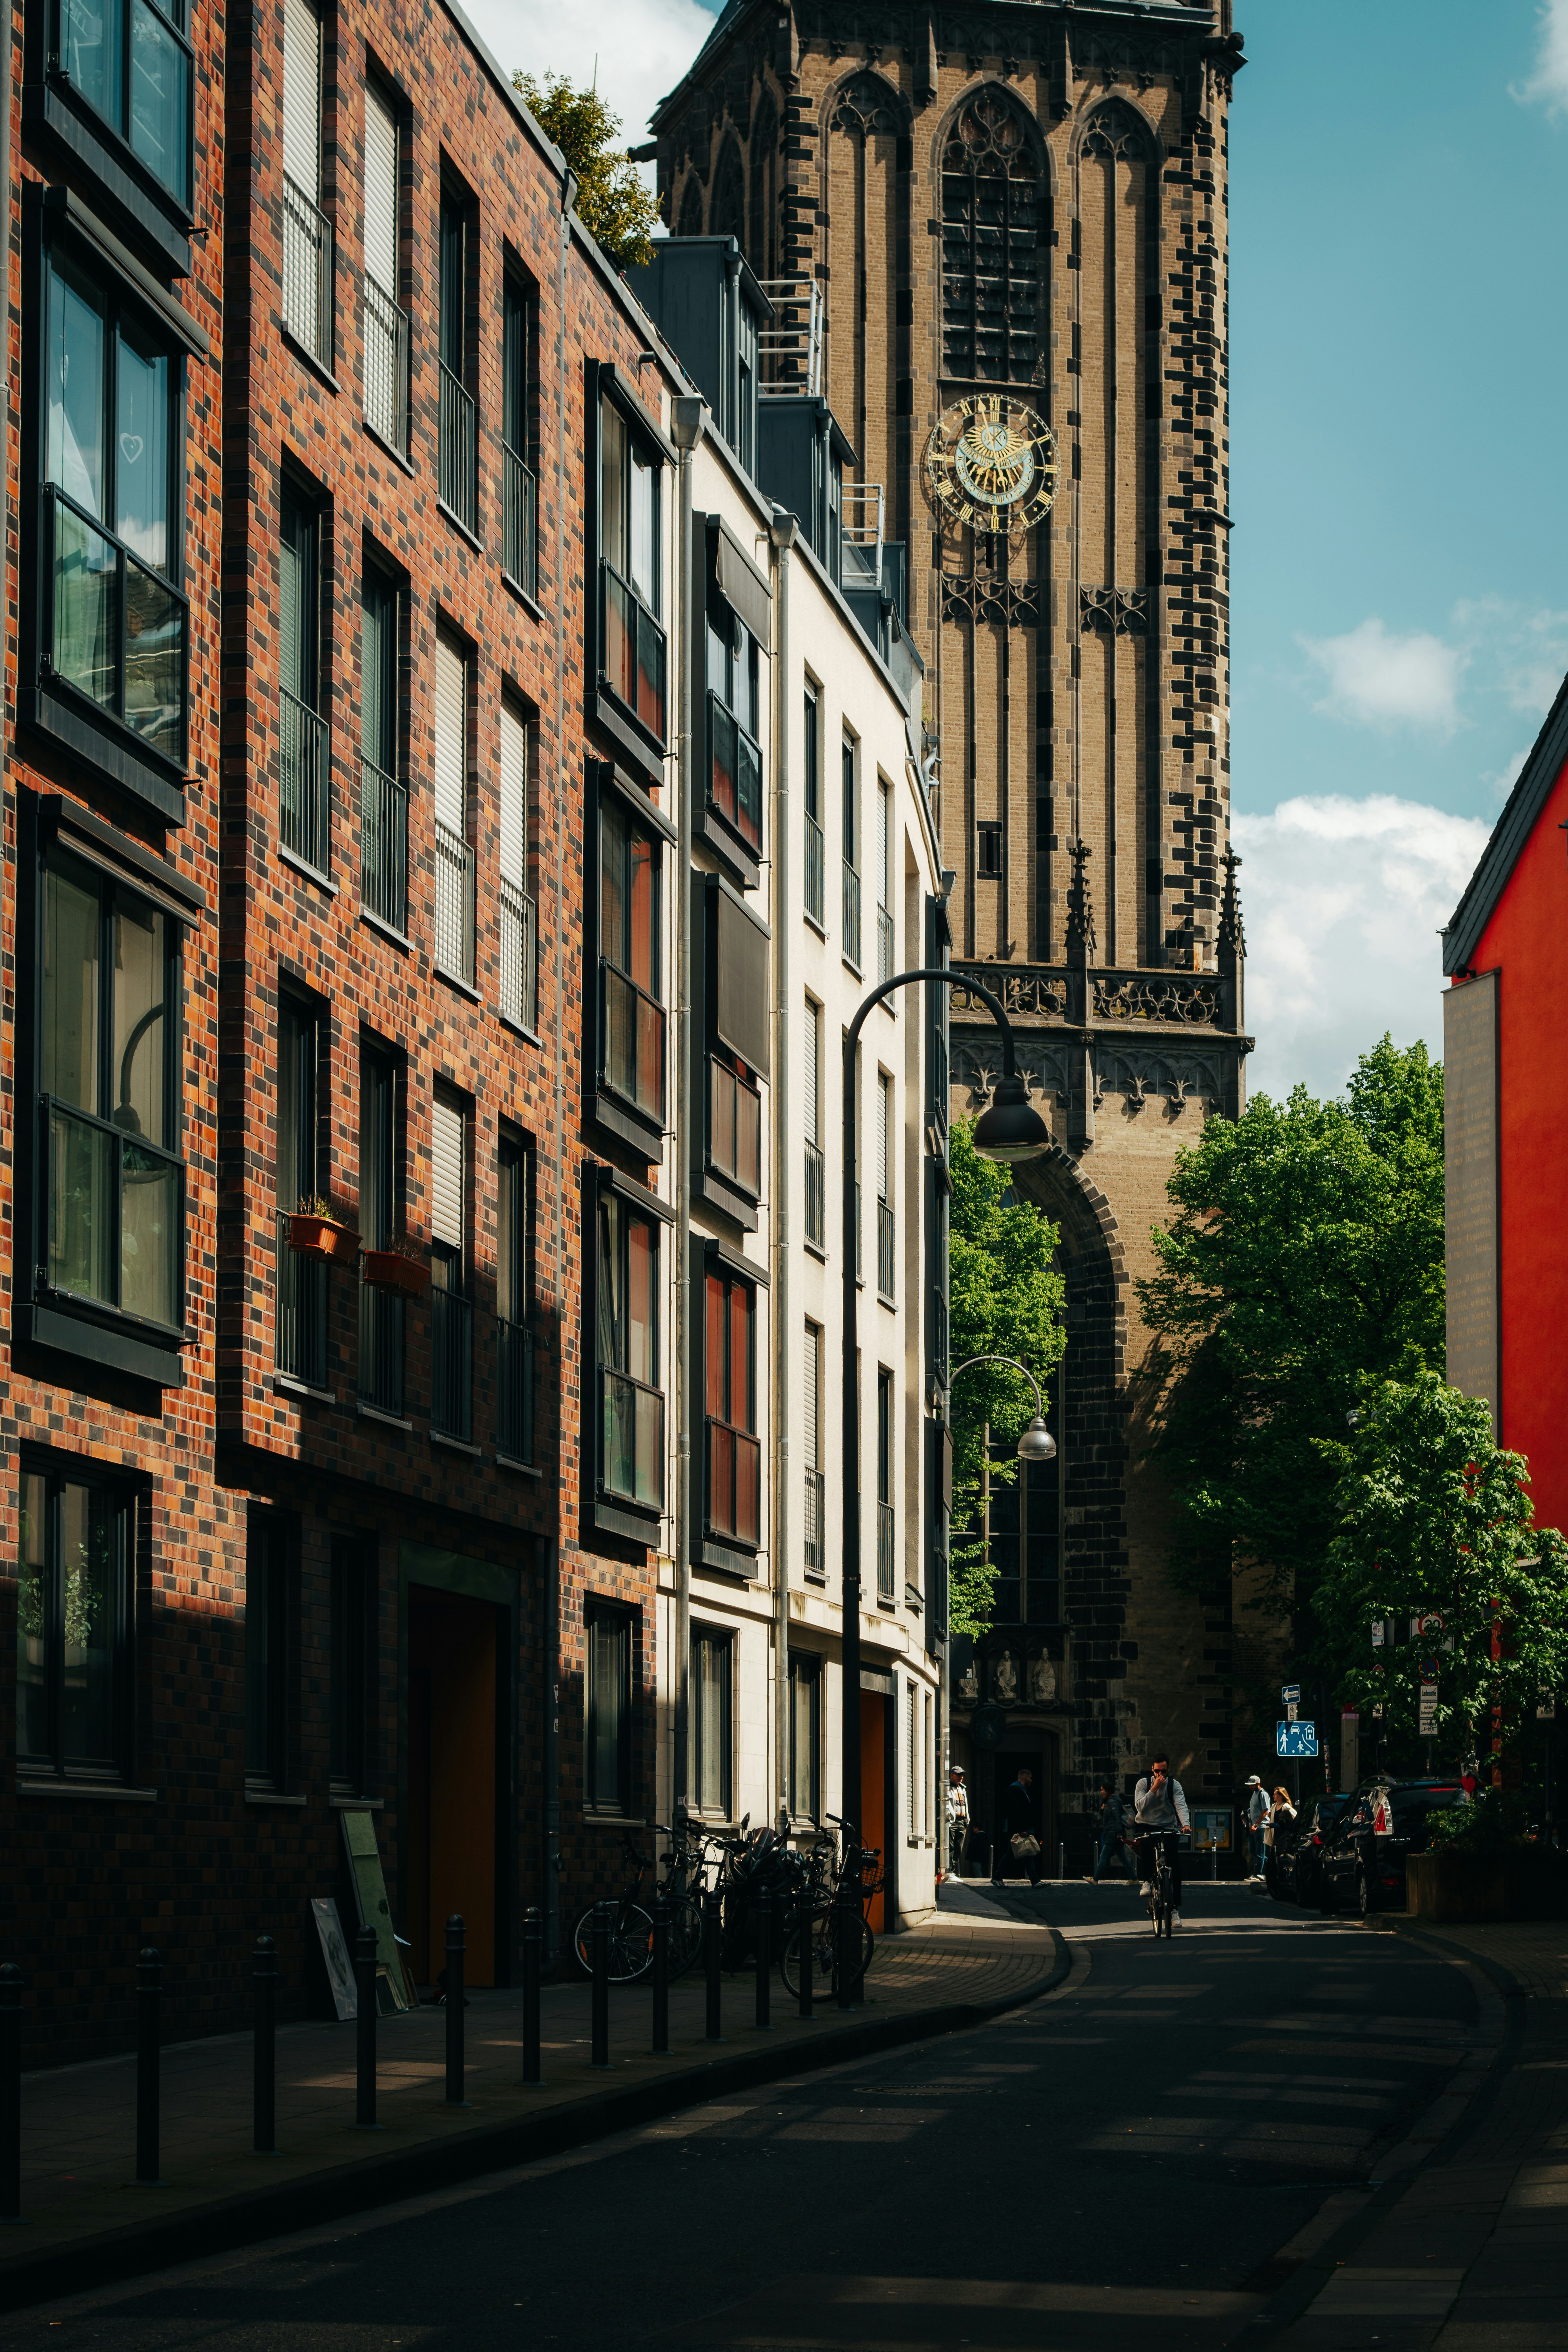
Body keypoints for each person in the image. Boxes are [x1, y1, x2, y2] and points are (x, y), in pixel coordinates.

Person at [1133, 1751, 1191, 1925]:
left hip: (1167, 1826)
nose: (1160, 1775)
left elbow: (1181, 1805)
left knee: (1175, 1866)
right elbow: (1139, 1807)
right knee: (1146, 1848)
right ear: (1153, 1769)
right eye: (1157, 1771)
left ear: (1168, 1770)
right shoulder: (1143, 1784)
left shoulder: (1175, 1785)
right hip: (1146, 1823)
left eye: (1164, 1772)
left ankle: (1174, 1911)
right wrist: (1154, 1789)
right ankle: (1146, 1882)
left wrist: (1186, 1824)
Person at [993, 1765, 1044, 1887]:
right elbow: (1016, 1812)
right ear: (1025, 1778)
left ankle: (1035, 1881)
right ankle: (997, 1877)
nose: (1032, 1780)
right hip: (1020, 1830)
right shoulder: (1016, 1791)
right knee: (1013, 1854)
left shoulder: (1020, 1791)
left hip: (1023, 1828)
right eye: (1030, 1778)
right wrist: (1022, 1829)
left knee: (1028, 1855)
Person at [1090, 1780, 1137, 1884]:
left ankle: (1095, 1879)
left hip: (1114, 1835)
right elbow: (1107, 1817)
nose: (1101, 1792)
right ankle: (1134, 1879)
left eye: (1102, 1790)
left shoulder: (1112, 1802)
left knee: (1103, 1857)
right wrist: (1102, 1810)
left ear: (1107, 1791)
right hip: (1115, 1835)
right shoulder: (1109, 1802)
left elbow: (1117, 1818)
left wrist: (1119, 1833)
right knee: (1123, 1858)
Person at [1265, 1784, 1297, 1889]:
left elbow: (1294, 1818)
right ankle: (1277, 1877)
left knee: (1280, 1855)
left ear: (1281, 1796)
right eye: (1274, 1794)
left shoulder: (1286, 1807)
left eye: (1276, 1795)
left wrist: (1279, 1825)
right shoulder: (1274, 1806)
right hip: (1276, 1835)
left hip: (1283, 1835)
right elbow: (1269, 1815)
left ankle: (1281, 1877)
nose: (1274, 1796)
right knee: (1274, 1855)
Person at [946, 1764, 971, 1877]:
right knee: (951, 1846)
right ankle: (949, 1871)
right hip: (953, 1821)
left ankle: (953, 1870)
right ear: (952, 1775)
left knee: (958, 1848)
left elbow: (965, 1805)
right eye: (959, 1775)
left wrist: (967, 1819)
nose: (961, 1777)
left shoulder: (962, 1788)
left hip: (963, 1821)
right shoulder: (947, 1787)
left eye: (963, 1775)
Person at [1243, 1776, 1269, 1880]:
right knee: (1253, 1851)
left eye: (1252, 1785)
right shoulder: (1254, 1794)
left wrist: (1256, 1825)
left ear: (1258, 1783)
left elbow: (1265, 1811)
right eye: (1250, 1785)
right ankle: (1273, 1865)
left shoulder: (1263, 1794)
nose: (1251, 1787)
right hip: (1252, 1826)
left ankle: (1258, 1874)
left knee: (1260, 1852)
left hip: (1261, 1827)